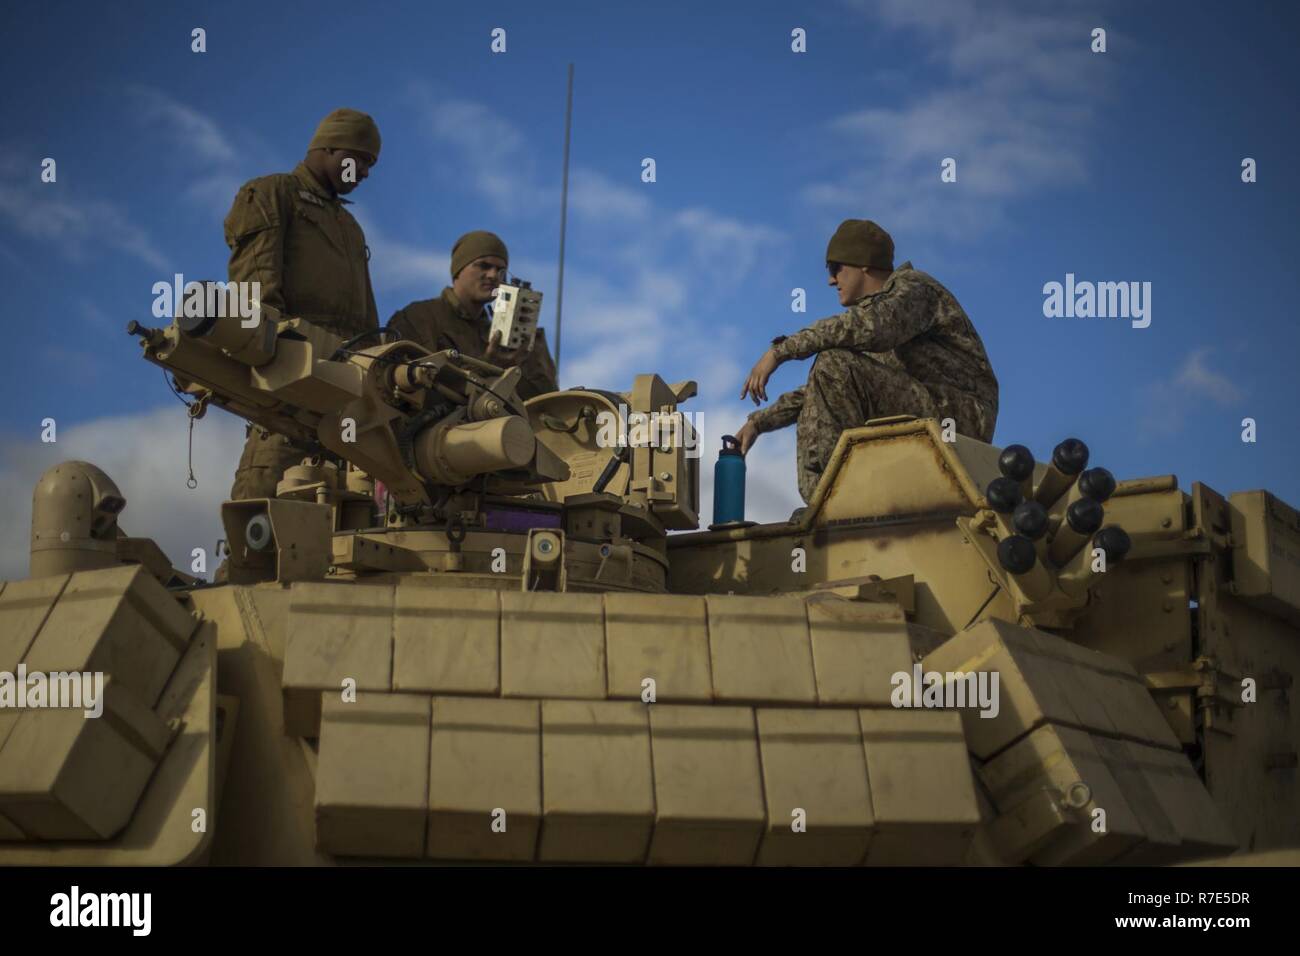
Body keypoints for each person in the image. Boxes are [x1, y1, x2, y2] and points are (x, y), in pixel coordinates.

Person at [737, 219, 998, 506]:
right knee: (829, 374)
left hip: (961, 416)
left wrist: (779, 352)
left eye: (835, 268)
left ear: (862, 263)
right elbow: (819, 388)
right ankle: (826, 503)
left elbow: (870, 328)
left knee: (833, 364)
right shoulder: (878, 322)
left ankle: (840, 495)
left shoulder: (913, 289)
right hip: (931, 406)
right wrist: (758, 423)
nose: (831, 280)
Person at [225, 107, 382, 500]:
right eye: (361, 159)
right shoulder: (273, 195)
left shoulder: (349, 226)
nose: (365, 173)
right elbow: (255, 297)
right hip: (288, 401)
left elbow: (366, 322)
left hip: (346, 409)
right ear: (330, 146)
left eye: (371, 164)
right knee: (264, 528)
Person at [387, 231, 558, 401]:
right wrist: (488, 366)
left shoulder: (499, 337)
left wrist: (533, 352)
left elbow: (541, 403)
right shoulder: (420, 317)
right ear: (458, 271)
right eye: (483, 266)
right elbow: (405, 386)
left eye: (500, 270)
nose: (493, 275)